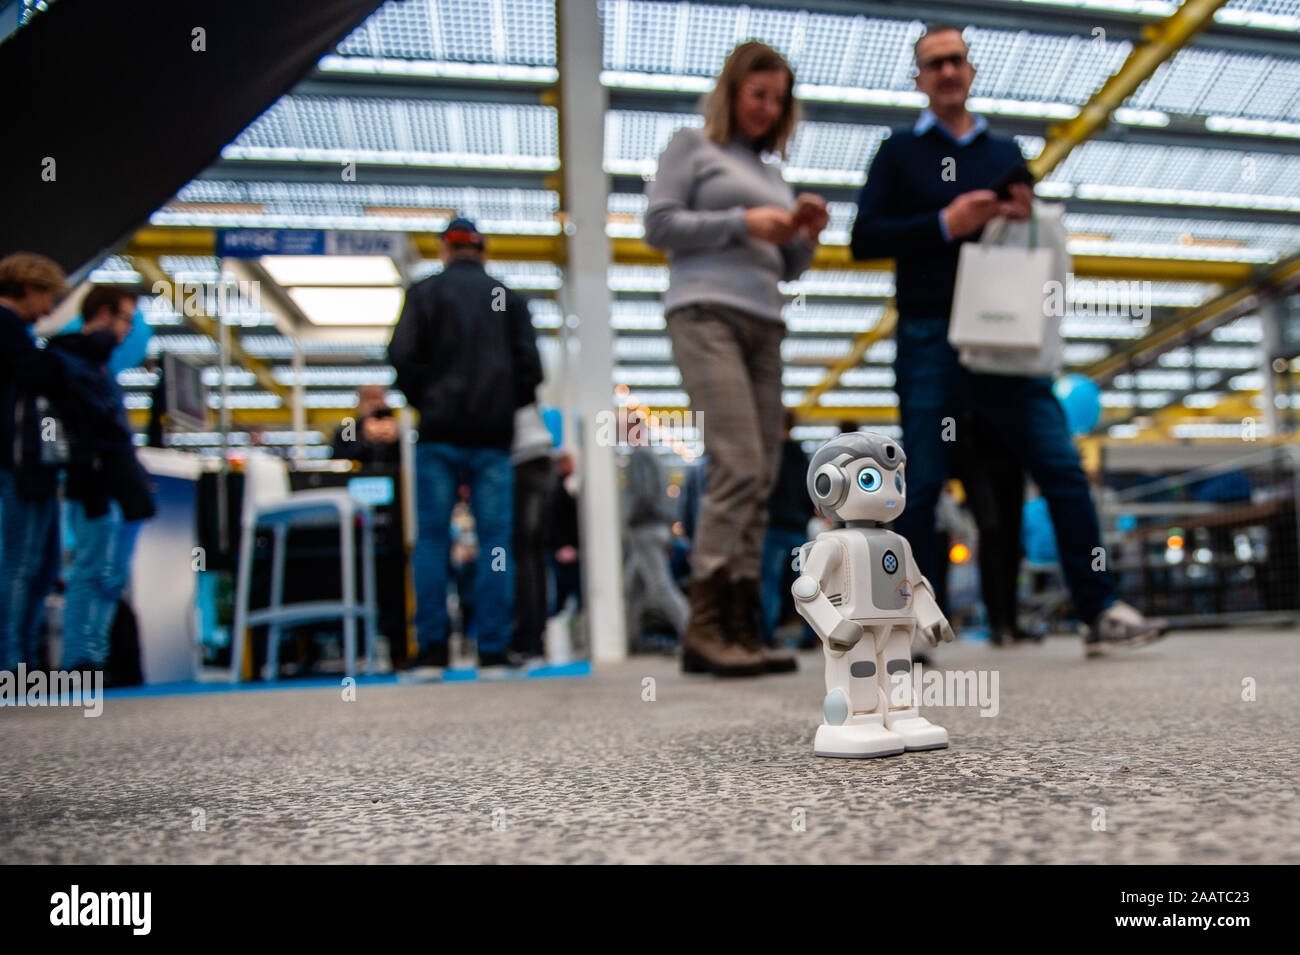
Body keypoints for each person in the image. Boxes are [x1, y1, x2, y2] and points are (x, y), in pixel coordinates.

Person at [849, 23, 1164, 656]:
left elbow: (1030, 219)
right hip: (931, 331)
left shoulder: (1005, 152)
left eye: (956, 60)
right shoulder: (897, 153)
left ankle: (1099, 609)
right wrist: (946, 222)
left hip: (1007, 335)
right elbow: (864, 239)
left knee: (1061, 467)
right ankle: (906, 622)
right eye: (934, 64)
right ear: (919, 79)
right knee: (922, 478)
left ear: (970, 71)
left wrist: (1019, 207)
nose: (946, 72)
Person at [644, 40, 828, 677]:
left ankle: (744, 625)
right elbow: (660, 225)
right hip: (705, 312)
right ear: (732, 91)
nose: (767, 108)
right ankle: (707, 625)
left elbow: (785, 263)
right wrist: (743, 222)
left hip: (764, 322)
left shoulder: (774, 175)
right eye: (758, 94)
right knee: (738, 463)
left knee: (765, 471)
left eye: (778, 100)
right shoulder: (690, 147)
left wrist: (801, 233)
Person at [387, 217, 543, 672]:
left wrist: (427, 399)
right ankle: (493, 650)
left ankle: (433, 650)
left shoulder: (423, 293)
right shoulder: (507, 298)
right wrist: (500, 405)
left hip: (437, 432)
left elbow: (400, 355)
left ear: (444, 249)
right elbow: (531, 369)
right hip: (493, 439)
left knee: (433, 539)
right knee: (496, 541)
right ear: (483, 251)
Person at [49, 285, 156, 676]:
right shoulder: (69, 358)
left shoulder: (100, 365)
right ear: (104, 313)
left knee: (111, 578)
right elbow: (86, 426)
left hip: (119, 483)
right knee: (90, 572)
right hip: (92, 480)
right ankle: (80, 660)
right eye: (126, 318)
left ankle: (95, 655)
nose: (129, 329)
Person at [0, 253, 70, 673]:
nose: (49, 309)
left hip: (32, 463)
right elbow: (38, 380)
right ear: (27, 288)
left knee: (39, 567)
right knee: (21, 565)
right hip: (18, 461)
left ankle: (20, 659)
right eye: (47, 297)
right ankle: (9, 664)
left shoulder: (19, 334)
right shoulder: (7, 329)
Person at [621, 414, 689, 649]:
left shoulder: (640, 456)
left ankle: (692, 635)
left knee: (661, 588)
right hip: (657, 528)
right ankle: (632, 639)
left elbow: (643, 495)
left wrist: (626, 518)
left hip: (645, 529)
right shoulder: (655, 457)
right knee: (633, 588)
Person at [760, 411, 814, 646]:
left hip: (773, 528)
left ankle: (766, 635)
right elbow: (809, 493)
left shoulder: (768, 456)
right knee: (806, 584)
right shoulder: (802, 457)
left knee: (769, 584)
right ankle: (811, 635)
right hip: (798, 528)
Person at [510, 403, 555, 661]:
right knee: (533, 555)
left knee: (521, 555)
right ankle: (534, 637)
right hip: (538, 454)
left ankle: (525, 637)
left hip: (519, 458)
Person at [332, 384, 400, 466]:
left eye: (377, 397)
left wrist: (395, 441)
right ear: (359, 401)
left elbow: (407, 460)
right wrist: (364, 439)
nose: (373, 403)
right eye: (368, 397)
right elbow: (340, 461)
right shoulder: (348, 430)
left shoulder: (398, 430)